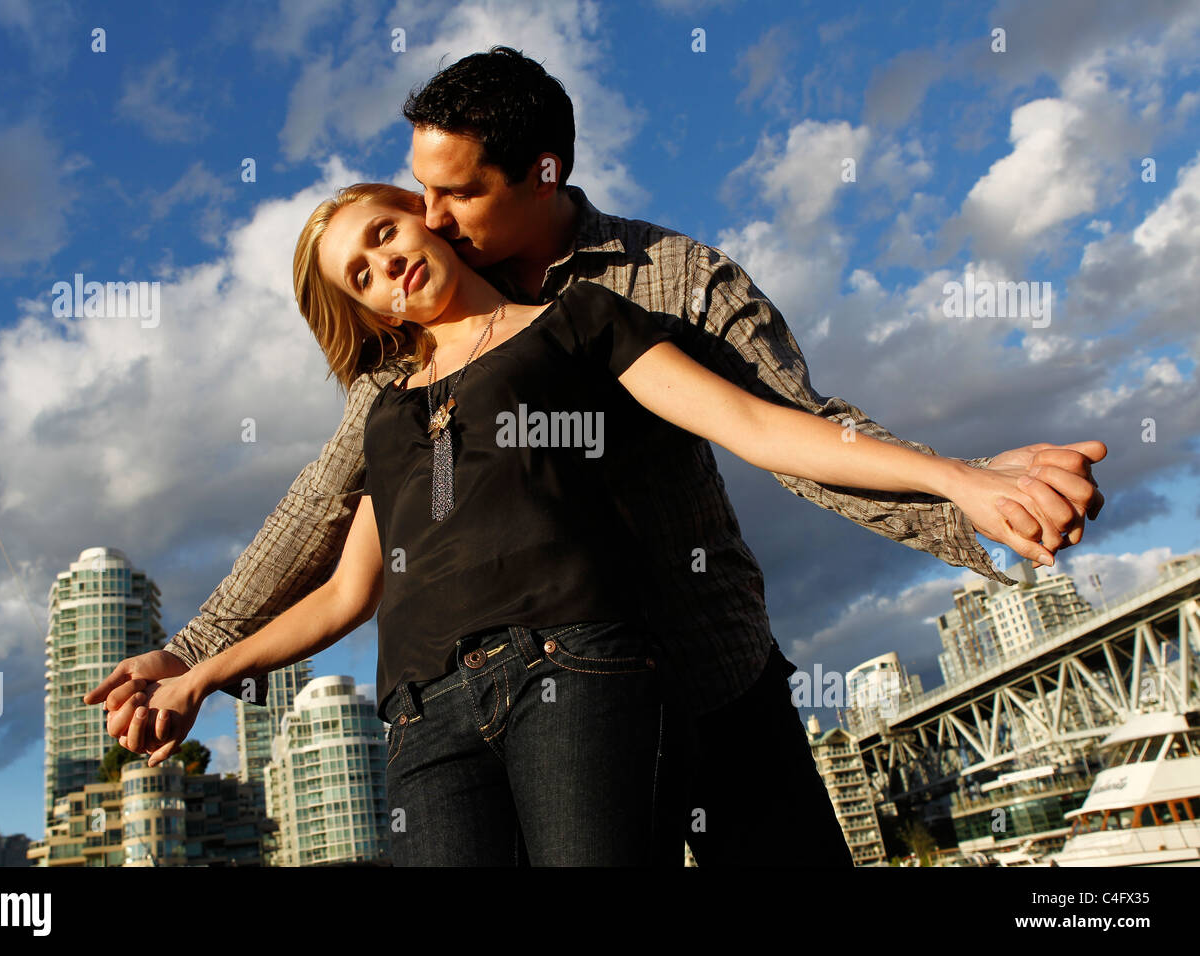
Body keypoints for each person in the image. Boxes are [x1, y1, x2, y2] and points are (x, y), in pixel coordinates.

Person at [85, 46, 1105, 867]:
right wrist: (192, 653)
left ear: (542, 172)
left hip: (703, 664)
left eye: (449, 198)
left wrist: (965, 486)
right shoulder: (398, 380)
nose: (427, 223)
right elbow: (321, 522)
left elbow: (783, 428)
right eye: (416, 196)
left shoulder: (669, 282)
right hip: (501, 699)